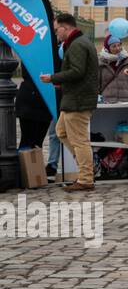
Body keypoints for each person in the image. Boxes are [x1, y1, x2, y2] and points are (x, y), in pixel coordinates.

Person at [40, 13, 98, 191]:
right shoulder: (77, 43)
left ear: (65, 28)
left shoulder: (77, 45)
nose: (56, 34)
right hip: (73, 98)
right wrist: (61, 82)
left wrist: (53, 78)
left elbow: (77, 71)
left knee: (80, 140)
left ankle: (86, 178)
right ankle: (86, 166)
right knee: (61, 131)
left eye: (57, 30)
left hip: (78, 101)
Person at [16, 62, 52, 154]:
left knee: (34, 144)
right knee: (29, 143)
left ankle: (31, 167)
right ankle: (27, 166)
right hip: (33, 101)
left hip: (42, 101)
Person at [98, 34, 128, 103]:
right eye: (113, 46)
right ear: (107, 48)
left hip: (125, 103)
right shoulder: (101, 63)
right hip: (107, 103)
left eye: (119, 45)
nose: (117, 48)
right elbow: (96, 86)